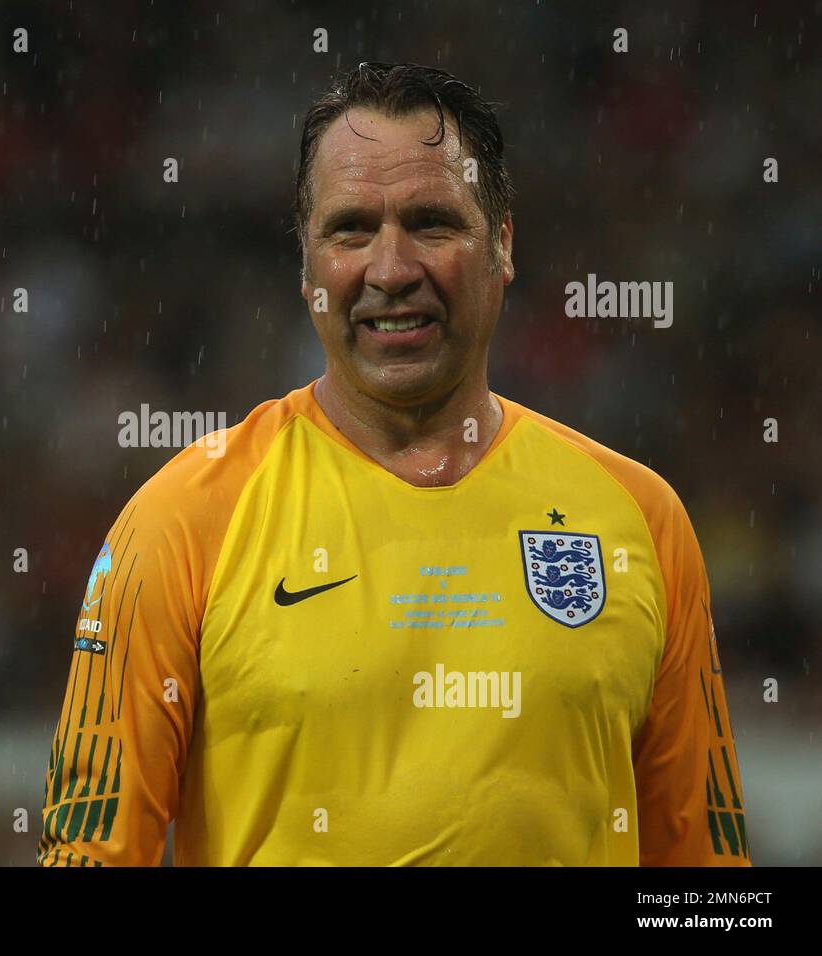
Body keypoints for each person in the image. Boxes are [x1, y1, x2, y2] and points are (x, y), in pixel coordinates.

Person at [37, 62, 750, 866]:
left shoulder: (639, 520)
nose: (390, 269)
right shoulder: (181, 520)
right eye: (350, 230)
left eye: (432, 221)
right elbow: (86, 854)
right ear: (306, 266)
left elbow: (706, 879)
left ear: (503, 244)